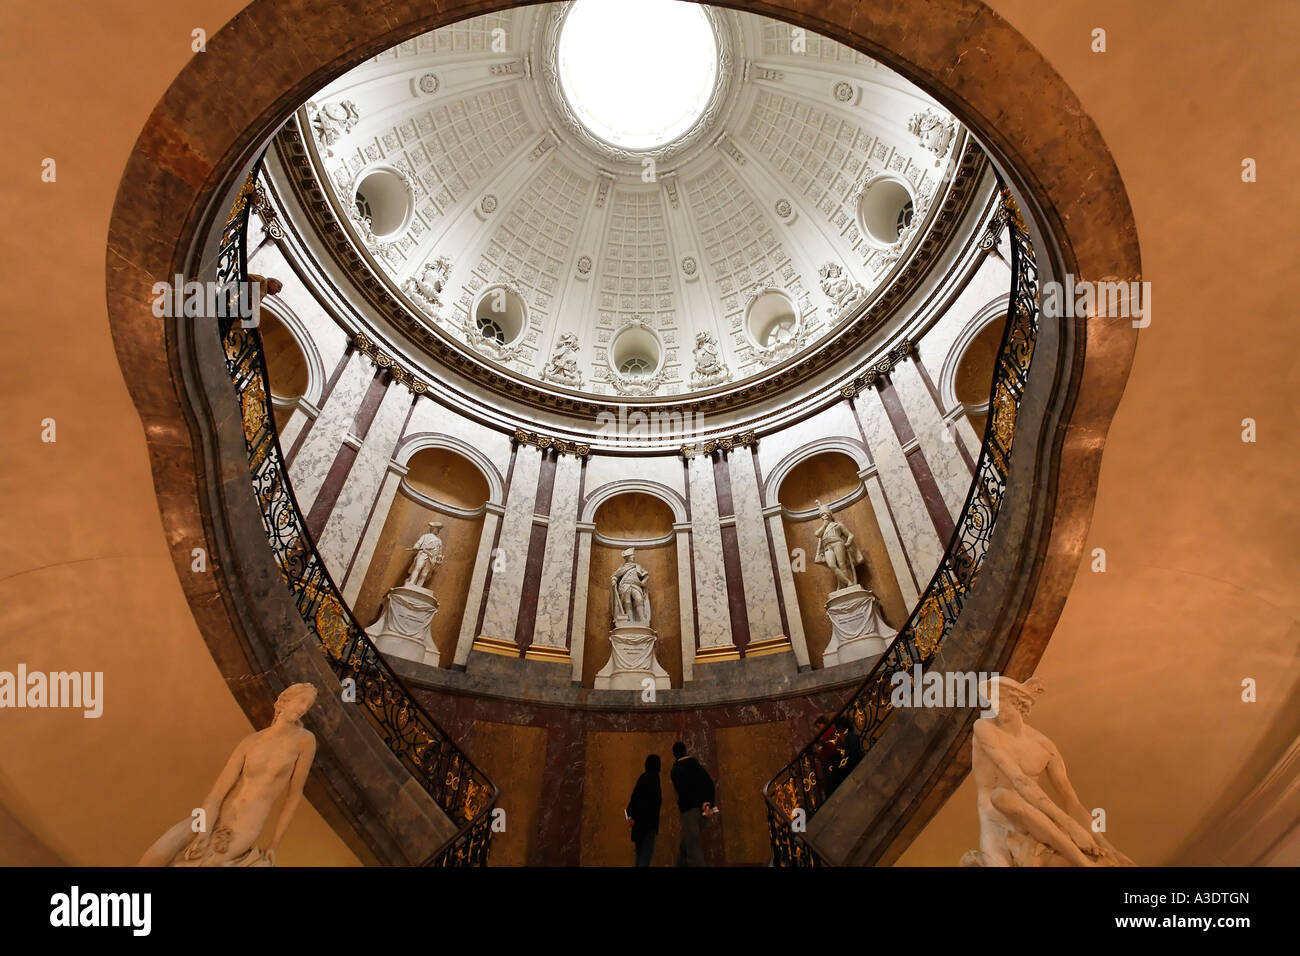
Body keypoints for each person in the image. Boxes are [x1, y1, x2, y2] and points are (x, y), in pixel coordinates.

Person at [669, 741, 716, 866]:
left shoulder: (676, 770)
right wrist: (707, 804)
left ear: (674, 754)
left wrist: (698, 803)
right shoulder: (698, 767)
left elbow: (684, 791)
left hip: (689, 812)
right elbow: (709, 784)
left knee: (693, 851)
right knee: (688, 843)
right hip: (704, 812)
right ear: (685, 750)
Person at [625, 754, 662, 867]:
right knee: (645, 857)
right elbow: (653, 803)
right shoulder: (654, 779)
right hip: (648, 824)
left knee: (639, 855)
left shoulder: (642, 778)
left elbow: (634, 799)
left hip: (638, 825)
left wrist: (631, 816)